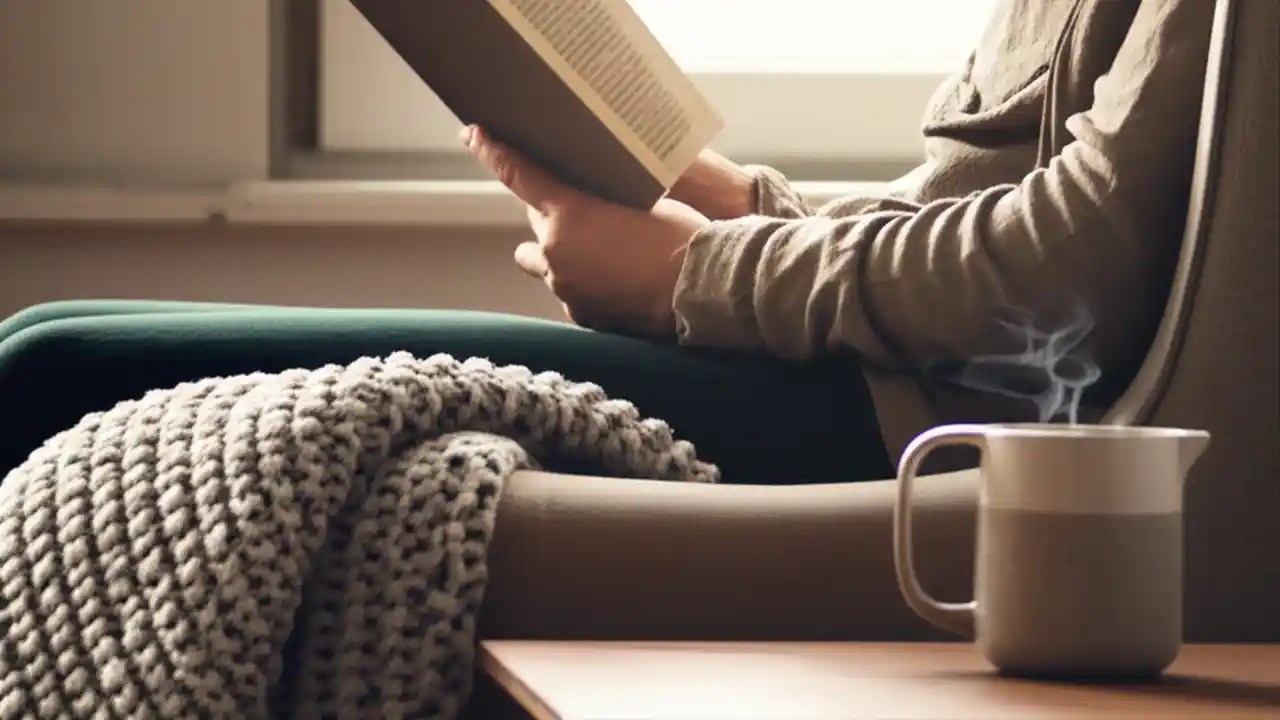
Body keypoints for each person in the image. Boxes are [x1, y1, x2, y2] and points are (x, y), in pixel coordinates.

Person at [0, 0, 1212, 481]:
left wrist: (691, 274)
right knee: (44, 334)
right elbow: (984, 216)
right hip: (884, 363)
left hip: (924, 425)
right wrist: (738, 203)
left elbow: (1068, 274)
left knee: (53, 373)